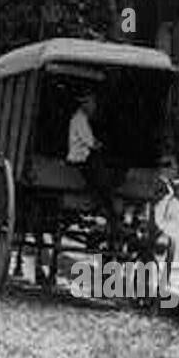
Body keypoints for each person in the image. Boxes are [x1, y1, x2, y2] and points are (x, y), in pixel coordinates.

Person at [67, 92, 117, 249]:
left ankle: (105, 203)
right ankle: (104, 203)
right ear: (85, 105)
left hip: (83, 156)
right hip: (79, 158)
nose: (94, 107)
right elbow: (89, 142)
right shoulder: (79, 119)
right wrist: (102, 146)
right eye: (92, 104)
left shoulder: (82, 119)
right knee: (99, 174)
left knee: (99, 167)